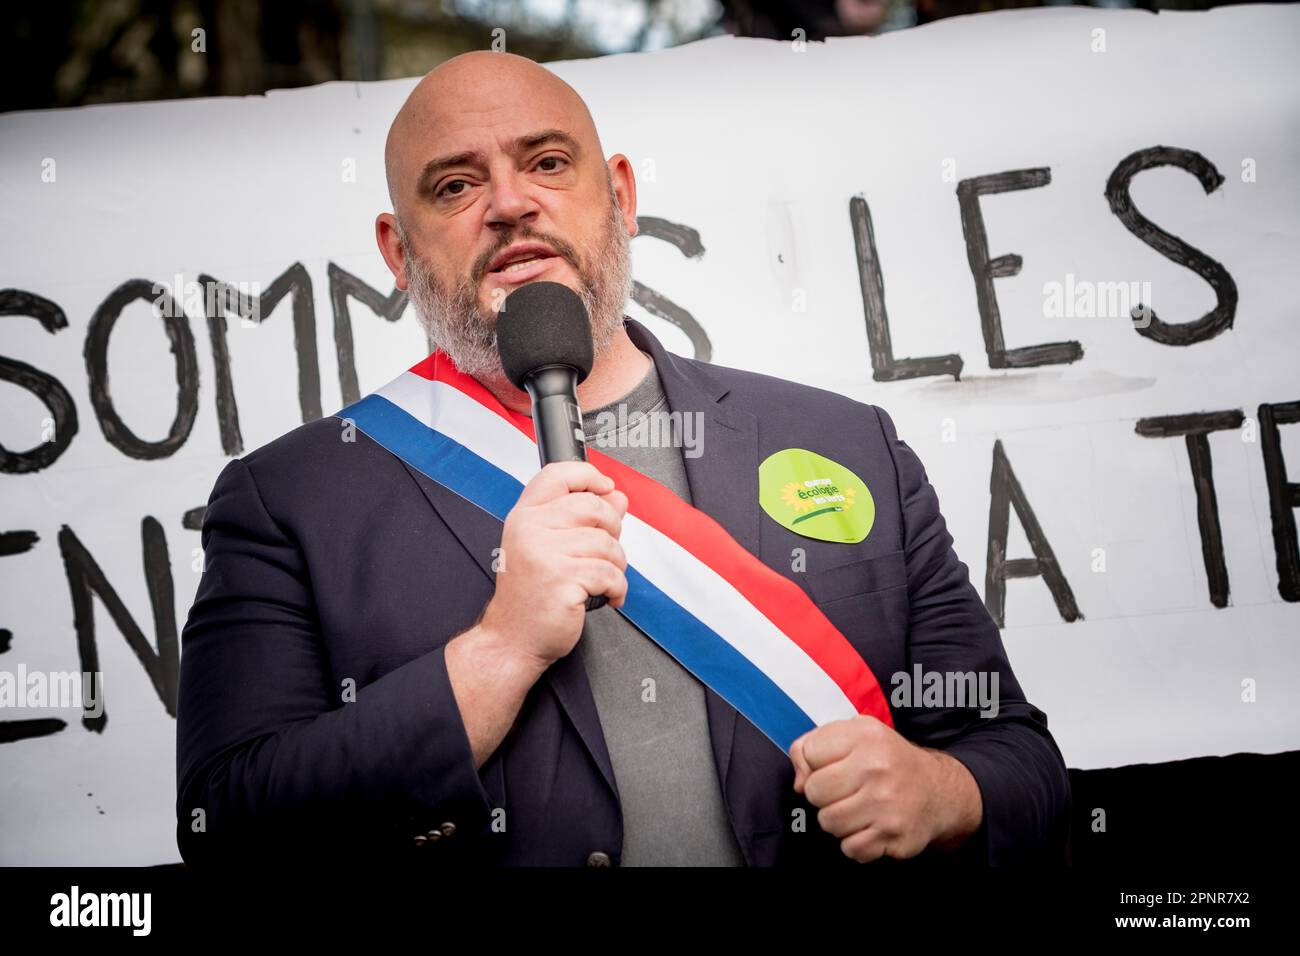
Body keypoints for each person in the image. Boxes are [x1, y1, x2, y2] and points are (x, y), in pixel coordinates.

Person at [175, 51, 1070, 867]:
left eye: (548, 163)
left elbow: (1019, 759)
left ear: (622, 195)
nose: (511, 203)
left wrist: (944, 793)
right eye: (453, 186)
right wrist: (495, 653)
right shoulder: (289, 500)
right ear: (396, 254)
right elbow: (225, 825)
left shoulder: (846, 443)